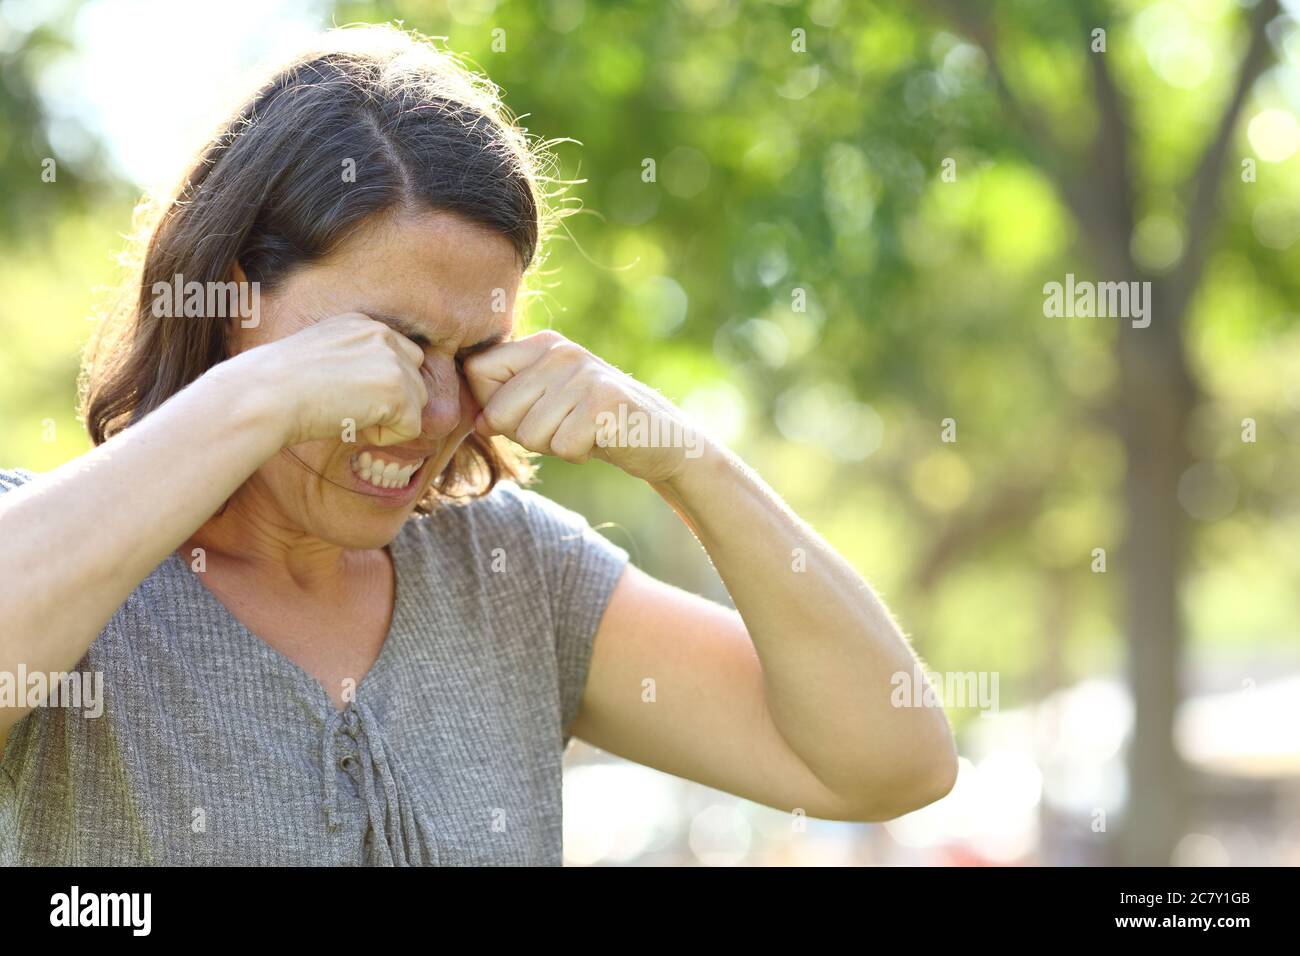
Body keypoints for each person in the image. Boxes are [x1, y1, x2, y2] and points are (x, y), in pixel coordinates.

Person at [0, 25, 956, 865]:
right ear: (234, 294)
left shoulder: (514, 575)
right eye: (389, 343)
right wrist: (252, 401)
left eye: (474, 352)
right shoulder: (58, 556)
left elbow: (892, 763)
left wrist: (686, 460)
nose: (430, 410)